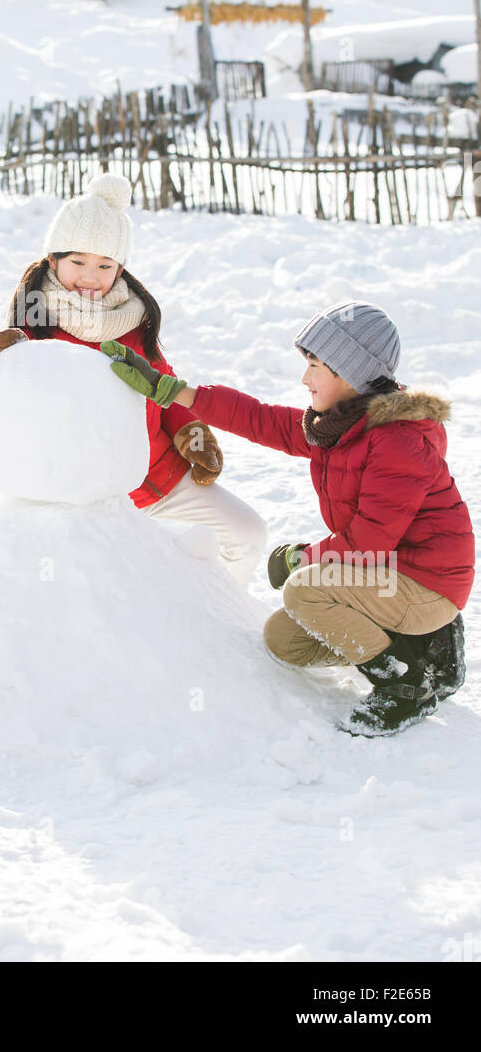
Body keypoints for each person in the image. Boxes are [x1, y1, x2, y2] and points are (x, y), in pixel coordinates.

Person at [101, 300, 474, 736]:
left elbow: (368, 545)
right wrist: (171, 391)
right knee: (286, 641)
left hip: (429, 582)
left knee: (307, 591)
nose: (305, 378)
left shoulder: (397, 442)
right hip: (392, 576)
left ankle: (405, 684)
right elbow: (260, 419)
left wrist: (303, 557)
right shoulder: (340, 424)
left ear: (350, 372)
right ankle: (427, 645)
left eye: (316, 365)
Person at [0, 172, 267, 586]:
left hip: (162, 476)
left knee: (246, 532)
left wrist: (190, 430)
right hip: (84, 498)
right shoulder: (35, 328)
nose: (90, 276)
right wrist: (6, 361)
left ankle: (219, 614)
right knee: (108, 585)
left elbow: (163, 387)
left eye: (105, 265)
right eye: (78, 262)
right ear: (53, 260)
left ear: (120, 268)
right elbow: (13, 410)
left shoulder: (131, 320)